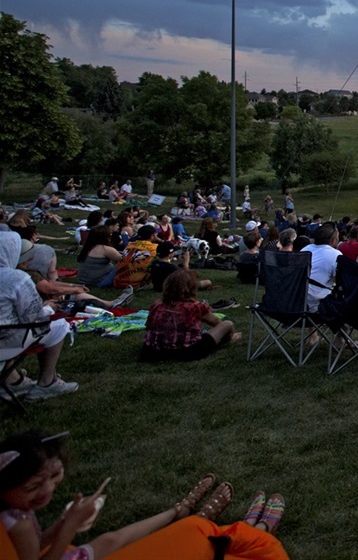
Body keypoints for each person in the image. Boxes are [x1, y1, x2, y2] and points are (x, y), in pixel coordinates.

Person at [0, 430, 289, 560]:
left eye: (53, 477)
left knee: (111, 538)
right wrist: (71, 527)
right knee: (196, 534)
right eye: (33, 487)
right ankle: (259, 528)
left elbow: (36, 545)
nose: (47, 491)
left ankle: (181, 509)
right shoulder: (20, 522)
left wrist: (61, 526)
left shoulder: (13, 513)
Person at [1, 232, 79, 402]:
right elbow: (34, 316)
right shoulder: (16, 278)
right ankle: (47, 382)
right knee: (58, 325)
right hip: (5, 340)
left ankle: (11, 380)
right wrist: (48, 308)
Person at [142, 270, 240, 361]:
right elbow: (216, 322)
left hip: (153, 351)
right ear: (192, 288)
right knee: (227, 324)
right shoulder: (194, 307)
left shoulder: (157, 304)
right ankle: (230, 339)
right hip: (187, 351)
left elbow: (148, 325)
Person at [302, 223, 340, 312]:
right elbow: (339, 280)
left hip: (295, 301)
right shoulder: (336, 254)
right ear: (334, 240)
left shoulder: (305, 249)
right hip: (316, 304)